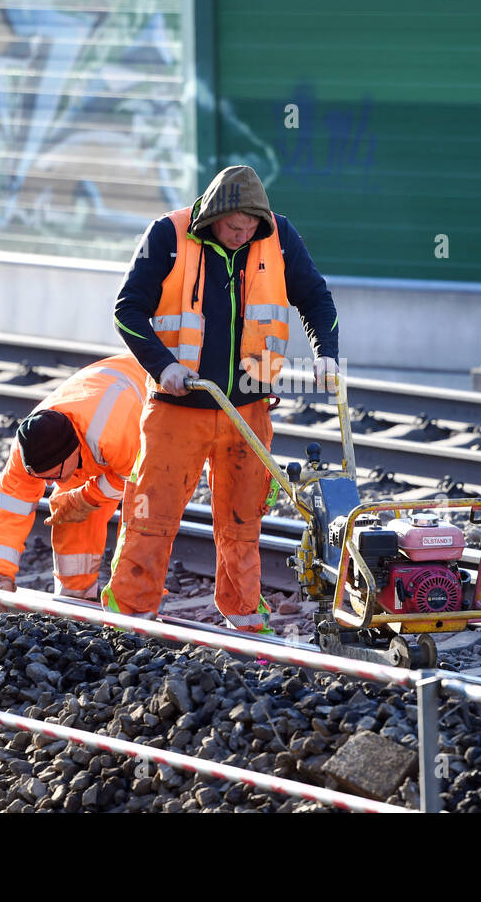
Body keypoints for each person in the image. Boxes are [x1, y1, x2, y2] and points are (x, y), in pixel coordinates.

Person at [105, 165, 340, 632]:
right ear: (213, 216)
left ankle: (245, 617)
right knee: (151, 515)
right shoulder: (167, 235)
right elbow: (127, 309)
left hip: (248, 408)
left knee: (242, 520)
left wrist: (326, 355)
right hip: (179, 408)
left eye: (251, 227)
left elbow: (316, 299)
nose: (242, 235)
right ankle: (130, 619)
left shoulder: (277, 236)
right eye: (235, 227)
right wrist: (163, 364)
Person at [0, 353, 147, 598]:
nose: (49, 484)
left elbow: (136, 475)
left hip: (150, 395)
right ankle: (75, 599)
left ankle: (139, 602)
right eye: (42, 477)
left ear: (74, 450)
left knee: (144, 516)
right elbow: (10, 510)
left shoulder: (114, 433)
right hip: (98, 407)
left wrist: (87, 497)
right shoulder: (28, 449)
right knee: (69, 513)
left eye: (53, 474)